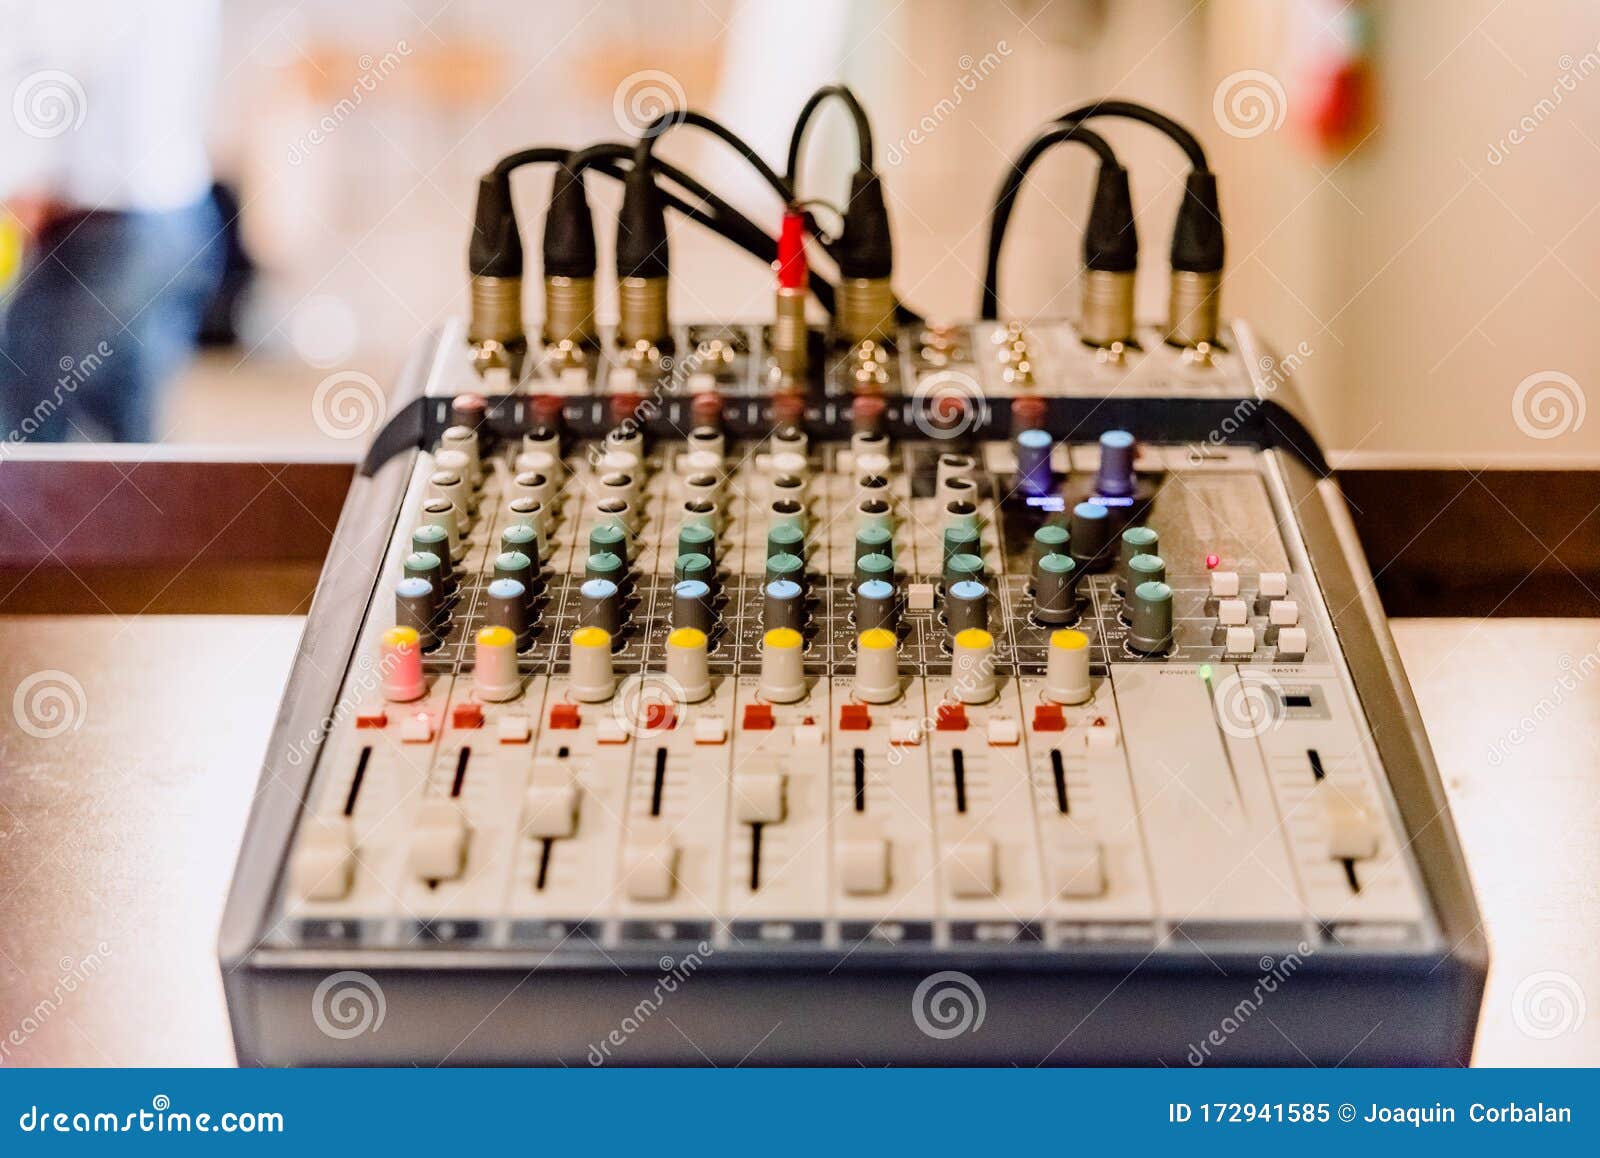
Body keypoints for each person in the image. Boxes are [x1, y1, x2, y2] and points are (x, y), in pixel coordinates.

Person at [0, 1, 224, 443]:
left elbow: (56, 69)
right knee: (123, 432)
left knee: (20, 418)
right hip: (179, 215)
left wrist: (28, 179)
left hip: (104, 223)